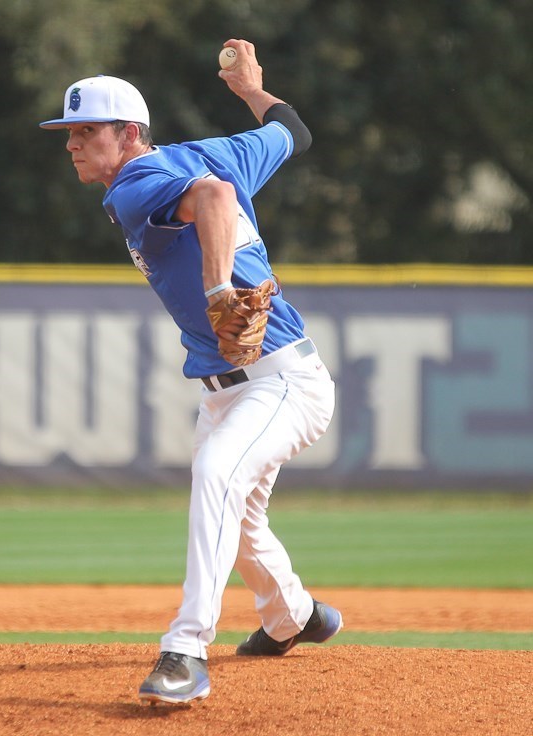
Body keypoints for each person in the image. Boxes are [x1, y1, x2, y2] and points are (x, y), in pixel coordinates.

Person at [39, 39, 343, 705]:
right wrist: (252, 91)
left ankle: (184, 650)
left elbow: (211, 196)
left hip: (281, 380)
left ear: (129, 134)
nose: (73, 144)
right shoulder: (216, 148)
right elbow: (292, 130)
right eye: (68, 133)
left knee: (215, 477)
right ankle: (296, 619)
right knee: (241, 520)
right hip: (235, 389)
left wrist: (215, 292)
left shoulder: (135, 185)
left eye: (87, 132)